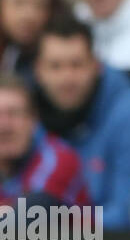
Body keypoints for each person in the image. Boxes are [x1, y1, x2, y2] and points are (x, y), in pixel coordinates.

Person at [32, 15, 130, 231]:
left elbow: (127, 212)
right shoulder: (23, 114)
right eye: (55, 66)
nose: (67, 78)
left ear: (96, 66)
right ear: (38, 71)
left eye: (76, 65)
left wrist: (57, 227)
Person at [0, 72, 88, 211]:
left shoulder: (58, 159)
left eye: (14, 113)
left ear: (33, 120)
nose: (4, 126)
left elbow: (28, 214)